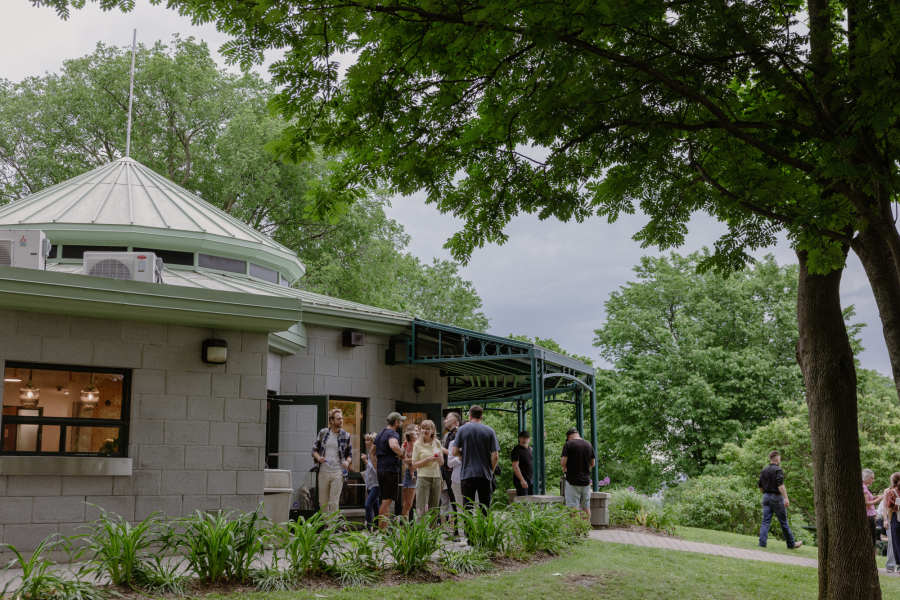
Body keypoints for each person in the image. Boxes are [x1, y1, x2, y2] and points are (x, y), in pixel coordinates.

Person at [451, 405, 499, 515]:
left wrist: (463, 455)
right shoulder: (490, 431)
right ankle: (483, 526)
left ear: (470, 416)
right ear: (481, 417)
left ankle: (469, 527)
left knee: (467, 509)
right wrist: (490, 471)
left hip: (467, 474)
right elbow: (495, 456)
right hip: (484, 475)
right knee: (484, 509)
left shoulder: (462, 430)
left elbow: (454, 451)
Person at [311, 408, 353, 515]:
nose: (341, 421)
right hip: (323, 471)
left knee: (334, 503)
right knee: (323, 503)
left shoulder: (346, 435)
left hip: (338, 472)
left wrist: (347, 462)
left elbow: (350, 455)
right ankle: (328, 524)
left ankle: (333, 525)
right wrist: (319, 457)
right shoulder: (323, 432)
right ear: (331, 420)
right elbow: (314, 451)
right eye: (338, 419)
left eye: (342, 418)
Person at [758, 450, 803, 549]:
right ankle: (791, 544)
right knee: (783, 521)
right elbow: (780, 484)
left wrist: (766, 495)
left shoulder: (764, 470)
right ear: (777, 459)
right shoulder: (778, 470)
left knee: (766, 521)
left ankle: (762, 543)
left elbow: (760, 485)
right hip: (776, 498)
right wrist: (786, 498)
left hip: (765, 497)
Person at [372, 412, 407, 530]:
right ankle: (383, 532)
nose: (402, 423)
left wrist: (377, 467)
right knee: (386, 502)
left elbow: (372, 452)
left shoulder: (379, 434)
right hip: (390, 470)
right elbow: (393, 446)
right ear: (396, 422)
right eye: (401, 421)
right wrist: (402, 454)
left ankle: (382, 530)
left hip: (381, 470)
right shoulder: (393, 433)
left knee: (384, 500)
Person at [412, 419, 445, 518]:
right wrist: (428, 459)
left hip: (436, 478)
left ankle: (433, 528)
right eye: (422, 428)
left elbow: (441, 463)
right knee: (421, 508)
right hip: (423, 478)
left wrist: (440, 459)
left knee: (434, 509)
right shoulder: (417, 444)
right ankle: (421, 528)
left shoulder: (437, 443)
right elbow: (414, 465)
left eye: (427, 429)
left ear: (433, 430)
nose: (424, 431)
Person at [560, 427, 595, 520]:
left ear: (569, 437)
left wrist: (566, 466)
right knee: (586, 506)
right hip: (586, 481)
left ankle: (577, 528)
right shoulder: (589, 445)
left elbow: (563, 463)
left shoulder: (568, 444)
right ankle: (585, 528)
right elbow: (593, 464)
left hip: (572, 480)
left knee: (573, 505)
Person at [440, 412, 461, 524]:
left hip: (456, 471)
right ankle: (455, 528)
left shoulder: (459, 435)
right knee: (452, 501)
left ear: (453, 420)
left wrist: (443, 450)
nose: (444, 421)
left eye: (447, 418)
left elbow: (458, 454)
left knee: (457, 500)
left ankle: (458, 528)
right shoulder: (448, 435)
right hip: (447, 471)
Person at [400, 423, 420, 519]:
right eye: (415, 430)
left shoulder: (421, 442)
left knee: (422, 503)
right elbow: (403, 458)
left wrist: (415, 462)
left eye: (418, 430)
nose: (418, 432)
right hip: (410, 472)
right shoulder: (405, 444)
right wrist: (415, 461)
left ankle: (421, 526)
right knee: (408, 504)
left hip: (421, 472)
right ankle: (405, 527)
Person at [863, 469, 884, 555]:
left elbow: (868, 499)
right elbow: (866, 503)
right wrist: (878, 500)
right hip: (869, 515)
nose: (873, 480)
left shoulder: (865, 487)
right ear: (866, 476)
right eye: (872, 478)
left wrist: (874, 498)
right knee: (872, 538)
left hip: (871, 515)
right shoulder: (863, 487)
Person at [363, 433, 380, 531]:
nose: (365, 442)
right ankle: (378, 526)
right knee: (375, 505)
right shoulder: (369, 454)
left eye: (367, 440)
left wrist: (366, 462)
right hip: (370, 484)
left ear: (373, 442)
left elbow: (377, 471)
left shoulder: (376, 454)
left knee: (368, 504)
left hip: (377, 484)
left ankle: (368, 527)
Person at [511, 430, 533, 497]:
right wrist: (522, 480)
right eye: (523, 437)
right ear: (519, 439)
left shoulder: (529, 449)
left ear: (529, 439)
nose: (524, 439)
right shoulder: (517, 450)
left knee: (533, 501)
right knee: (523, 501)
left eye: (526, 438)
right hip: (522, 481)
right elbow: (515, 466)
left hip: (530, 480)